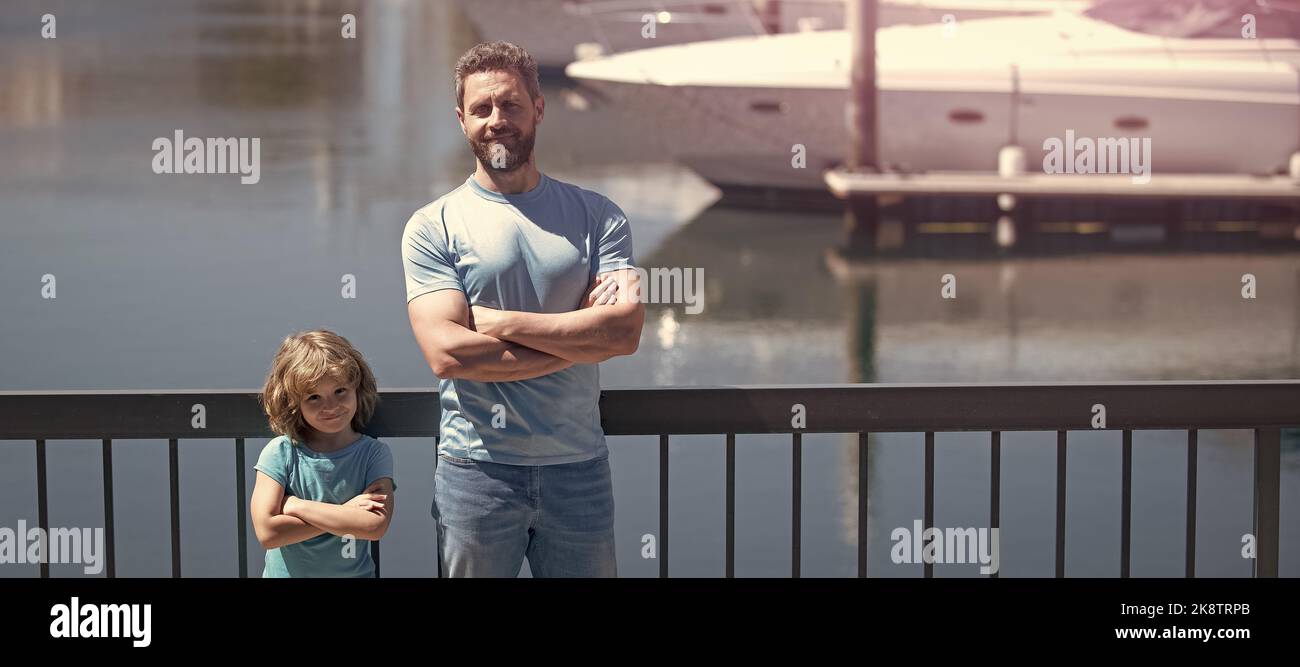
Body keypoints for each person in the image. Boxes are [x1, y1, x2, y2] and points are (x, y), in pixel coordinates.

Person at [402, 41, 644, 577]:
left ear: (538, 107)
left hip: (578, 471)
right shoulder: (433, 226)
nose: (497, 120)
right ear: (461, 119)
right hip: (476, 474)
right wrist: (580, 343)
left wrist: (499, 322)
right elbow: (448, 355)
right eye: (482, 109)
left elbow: (624, 333)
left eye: (510, 105)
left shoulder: (599, 217)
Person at [250, 329, 396, 578]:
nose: (331, 407)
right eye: (314, 397)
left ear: (357, 388)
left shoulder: (373, 454)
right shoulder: (281, 453)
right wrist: (346, 512)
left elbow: (374, 527)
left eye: (340, 391)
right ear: (293, 403)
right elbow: (268, 533)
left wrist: (295, 505)